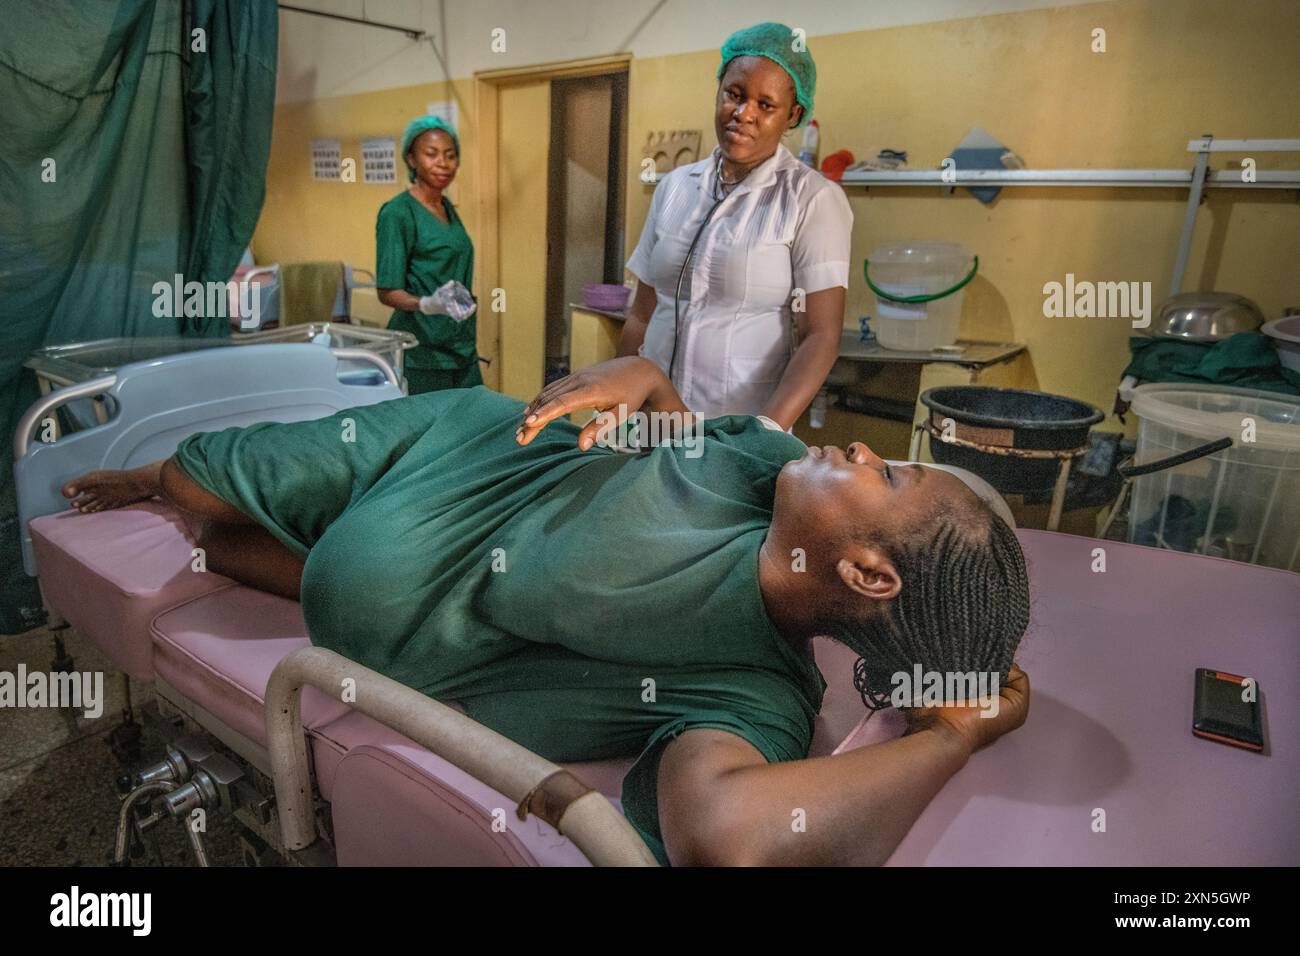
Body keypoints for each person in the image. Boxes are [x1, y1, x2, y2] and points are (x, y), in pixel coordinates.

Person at [59, 356, 1030, 866]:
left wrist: (950, 737)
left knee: (223, 538)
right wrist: (642, 373)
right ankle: (152, 476)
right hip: (471, 436)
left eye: (887, 473)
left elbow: (730, 837)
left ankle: (220, 512)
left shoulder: (749, 688)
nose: (860, 450)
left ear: (867, 574)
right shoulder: (762, 461)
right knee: (191, 479)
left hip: (403, 568)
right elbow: (668, 424)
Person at [618, 22, 853, 428]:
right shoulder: (674, 187)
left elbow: (821, 336)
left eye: (766, 105)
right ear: (719, 91)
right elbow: (642, 313)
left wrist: (763, 435)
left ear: (793, 115)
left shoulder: (811, 199)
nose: (744, 113)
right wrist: (617, 401)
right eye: (735, 94)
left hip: (736, 426)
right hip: (650, 423)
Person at [375, 116, 481, 393]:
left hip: (461, 344)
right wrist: (427, 304)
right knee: (433, 429)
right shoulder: (398, 213)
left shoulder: (446, 207)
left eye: (450, 155)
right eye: (431, 154)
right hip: (422, 350)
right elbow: (387, 291)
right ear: (411, 159)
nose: (443, 163)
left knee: (473, 421)